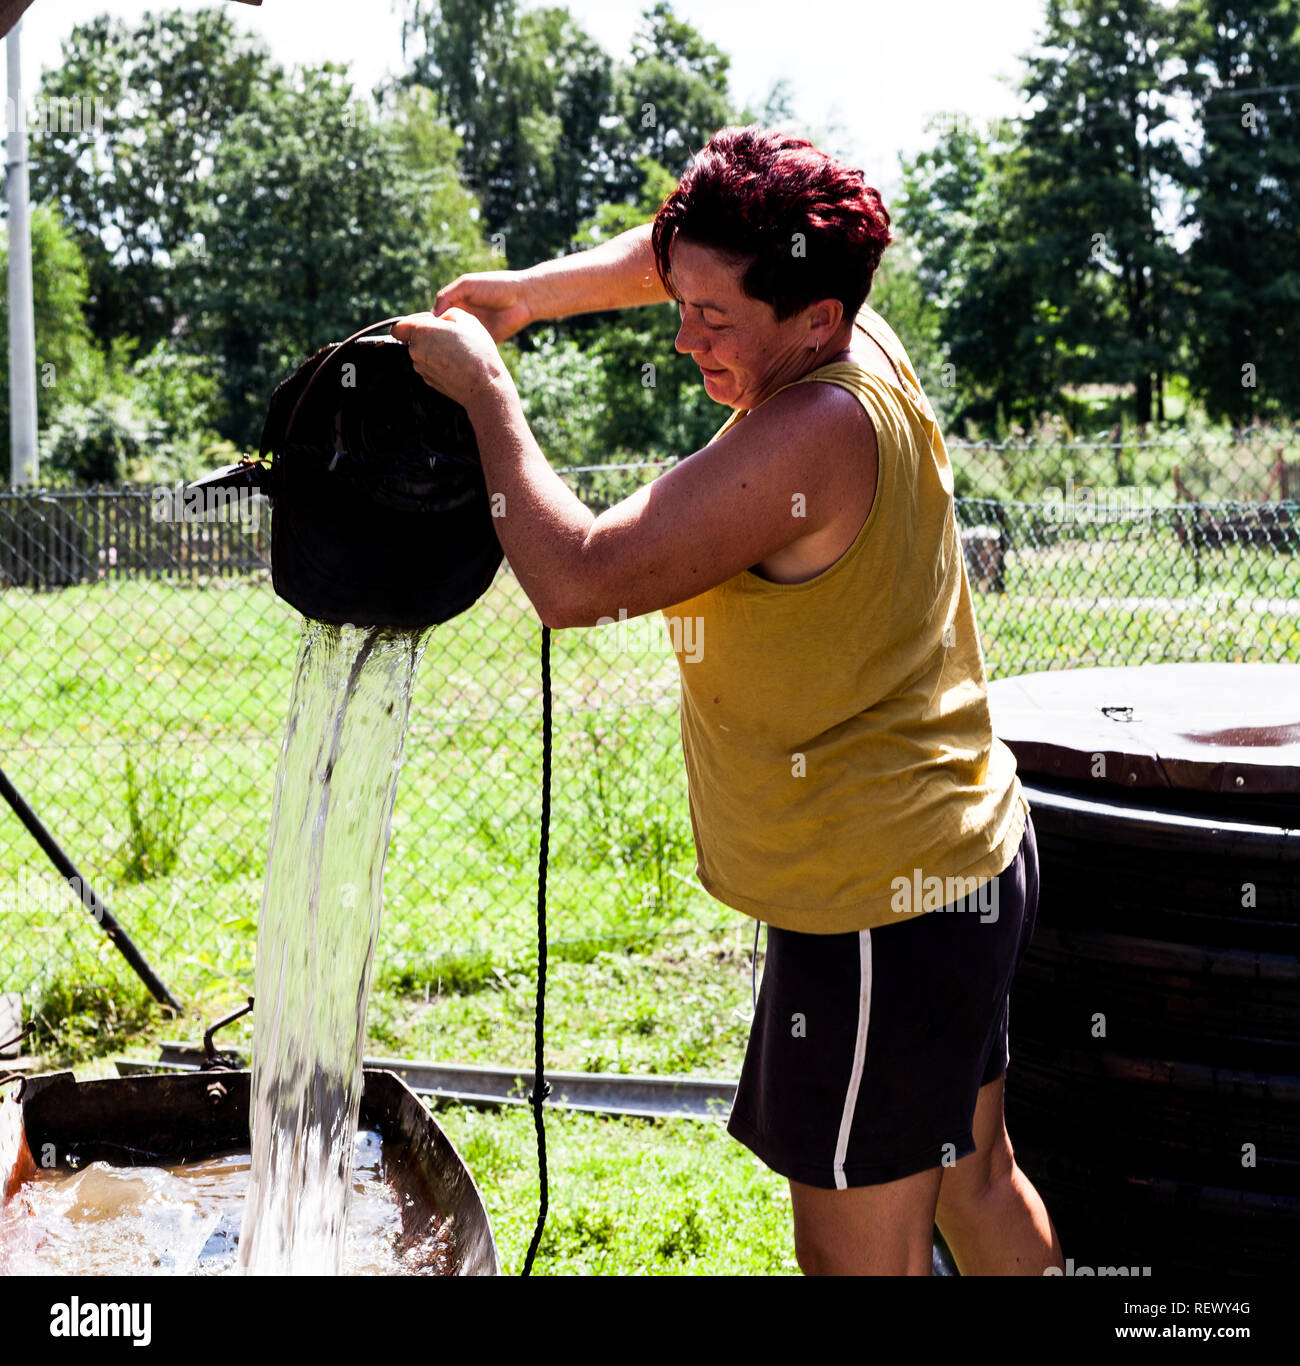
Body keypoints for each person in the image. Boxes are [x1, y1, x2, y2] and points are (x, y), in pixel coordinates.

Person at [391, 125, 1062, 1276]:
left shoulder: (811, 435)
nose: (684, 333)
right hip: (962, 856)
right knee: (975, 1184)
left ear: (813, 322)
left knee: (855, 1255)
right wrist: (529, 295)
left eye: (716, 319)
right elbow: (677, 258)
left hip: (875, 915)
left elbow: (579, 578)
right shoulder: (850, 325)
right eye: (680, 301)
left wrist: (490, 394)